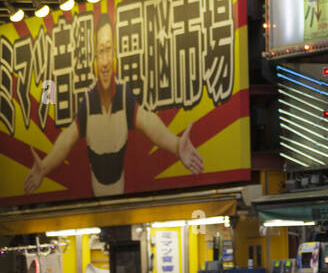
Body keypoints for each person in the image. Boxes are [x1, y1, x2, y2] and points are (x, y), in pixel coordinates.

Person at [24, 18, 204, 197]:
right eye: (101, 51)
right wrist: (44, 167)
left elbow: (149, 122)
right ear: (95, 58)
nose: (104, 62)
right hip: (95, 202)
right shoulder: (88, 102)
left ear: (115, 54)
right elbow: (67, 137)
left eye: (108, 50)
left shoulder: (124, 96)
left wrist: (177, 145)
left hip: (122, 198)